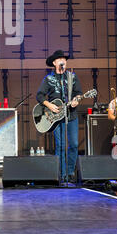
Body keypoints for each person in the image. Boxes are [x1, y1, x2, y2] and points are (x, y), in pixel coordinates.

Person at [36, 50, 83, 183]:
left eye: (64, 59)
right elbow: (39, 95)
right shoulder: (49, 79)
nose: (63, 61)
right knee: (61, 146)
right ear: (54, 63)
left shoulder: (72, 77)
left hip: (71, 115)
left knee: (73, 144)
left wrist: (76, 100)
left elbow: (79, 93)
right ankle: (61, 175)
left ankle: (69, 173)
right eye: (60, 59)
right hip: (56, 118)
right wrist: (49, 105)